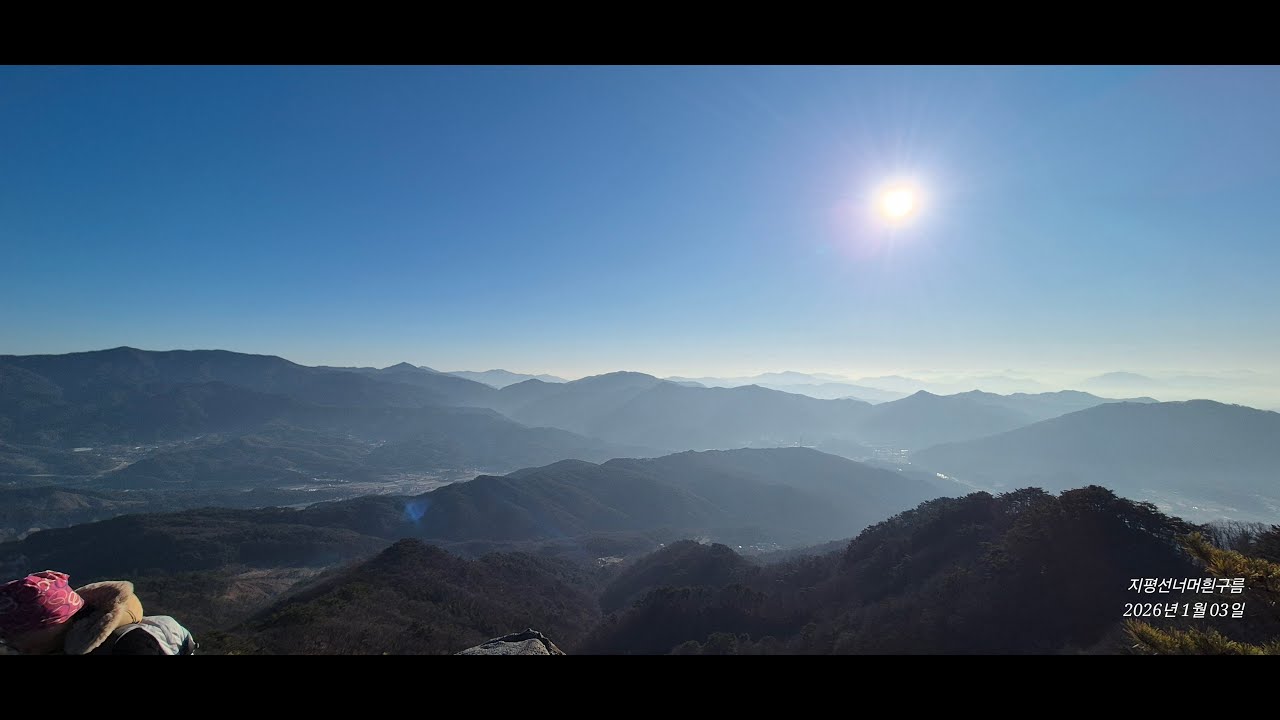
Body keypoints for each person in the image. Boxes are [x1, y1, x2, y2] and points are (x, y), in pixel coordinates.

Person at [0, 570, 196, 655]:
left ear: (52, 623)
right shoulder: (60, 643)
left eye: (16, 631)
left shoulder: (131, 645)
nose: (10, 640)